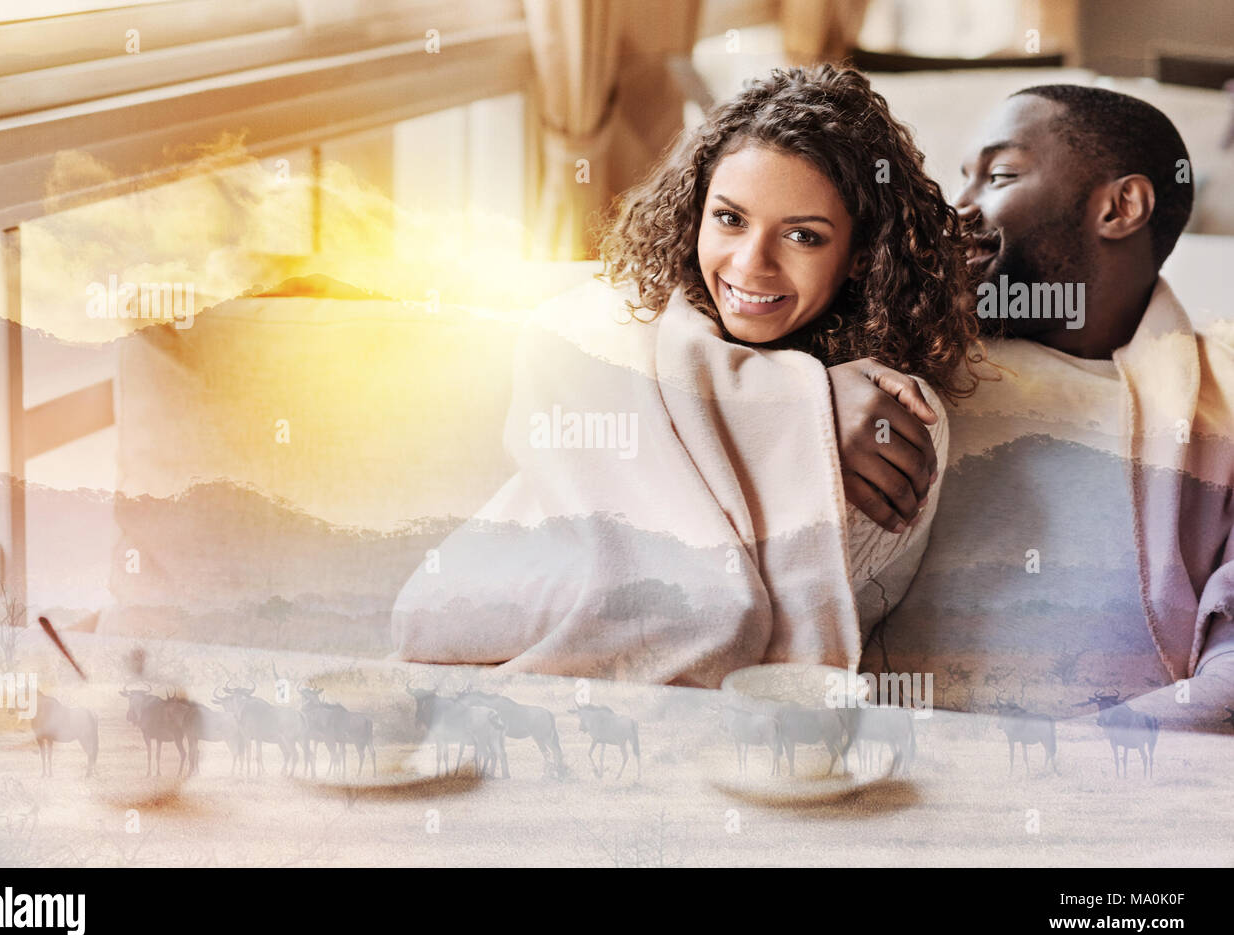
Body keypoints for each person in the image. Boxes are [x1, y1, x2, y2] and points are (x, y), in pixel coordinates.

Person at [391, 65, 988, 686]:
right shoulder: (635, 321)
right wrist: (798, 406)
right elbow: (559, 343)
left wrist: (802, 410)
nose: (750, 265)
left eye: (803, 236)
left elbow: (799, 609)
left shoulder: (888, 416)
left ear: (862, 254)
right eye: (730, 219)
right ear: (697, 212)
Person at [831, 84, 1234, 729]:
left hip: (1109, 793)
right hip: (872, 766)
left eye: (999, 175)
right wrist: (817, 398)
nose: (958, 209)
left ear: (1121, 206)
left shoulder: (1220, 403)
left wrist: (1071, 772)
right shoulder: (883, 354)